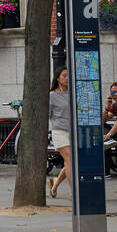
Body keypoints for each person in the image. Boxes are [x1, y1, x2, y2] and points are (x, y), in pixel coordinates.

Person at [48, 68, 71, 197]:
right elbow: (48, 114)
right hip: (59, 131)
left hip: (73, 132)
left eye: (69, 75)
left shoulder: (73, 93)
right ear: (58, 78)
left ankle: (55, 184)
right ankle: (75, 192)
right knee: (69, 159)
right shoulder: (52, 95)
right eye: (64, 75)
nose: (67, 78)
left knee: (70, 162)